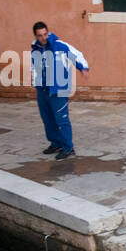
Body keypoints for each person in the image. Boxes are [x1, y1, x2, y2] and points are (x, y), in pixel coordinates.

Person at [29, 21, 89, 160]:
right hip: (43, 90)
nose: (43, 38)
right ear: (35, 36)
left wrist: (83, 68)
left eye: (45, 34)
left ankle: (68, 148)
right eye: (40, 35)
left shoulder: (60, 45)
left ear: (48, 32)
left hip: (59, 89)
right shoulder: (35, 49)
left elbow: (77, 55)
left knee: (61, 119)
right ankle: (55, 143)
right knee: (47, 119)